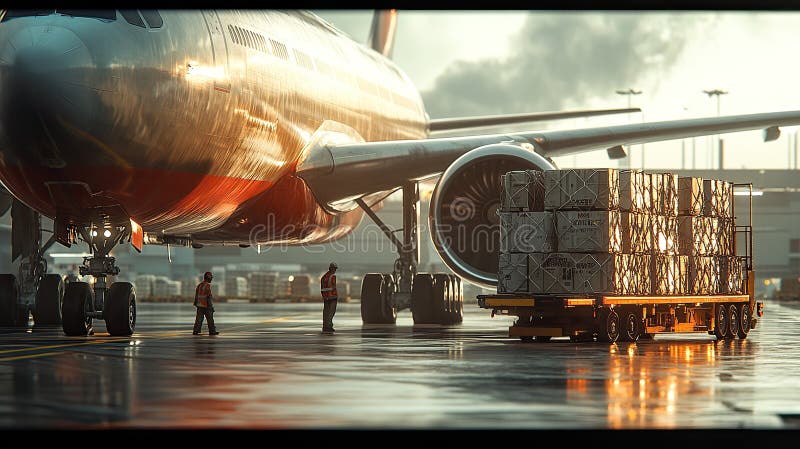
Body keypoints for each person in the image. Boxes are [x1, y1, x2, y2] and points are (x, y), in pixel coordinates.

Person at [193, 271, 219, 335]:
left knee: (198, 319)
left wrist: (196, 304)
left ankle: (195, 331)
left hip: (199, 305)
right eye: (211, 278)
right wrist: (211, 307)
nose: (212, 279)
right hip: (206, 305)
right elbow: (208, 296)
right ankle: (212, 331)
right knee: (210, 320)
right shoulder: (207, 286)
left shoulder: (199, 285)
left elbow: (196, 295)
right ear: (208, 278)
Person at [320, 262, 338, 332]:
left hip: (325, 297)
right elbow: (333, 287)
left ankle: (325, 326)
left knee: (326, 312)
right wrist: (336, 295)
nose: (335, 270)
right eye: (335, 269)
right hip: (332, 297)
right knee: (331, 312)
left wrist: (324, 296)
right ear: (332, 269)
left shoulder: (323, 277)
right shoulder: (333, 276)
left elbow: (322, 288)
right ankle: (329, 326)